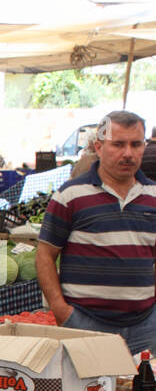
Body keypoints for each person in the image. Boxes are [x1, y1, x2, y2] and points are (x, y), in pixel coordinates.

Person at [37, 110, 156, 352]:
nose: (128, 153)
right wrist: (61, 310)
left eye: (136, 144)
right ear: (99, 147)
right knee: (85, 389)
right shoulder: (70, 196)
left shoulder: (153, 196)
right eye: (118, 144)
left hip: (145, 328)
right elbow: (45, 255)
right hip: (85, 324)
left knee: (141, 389)